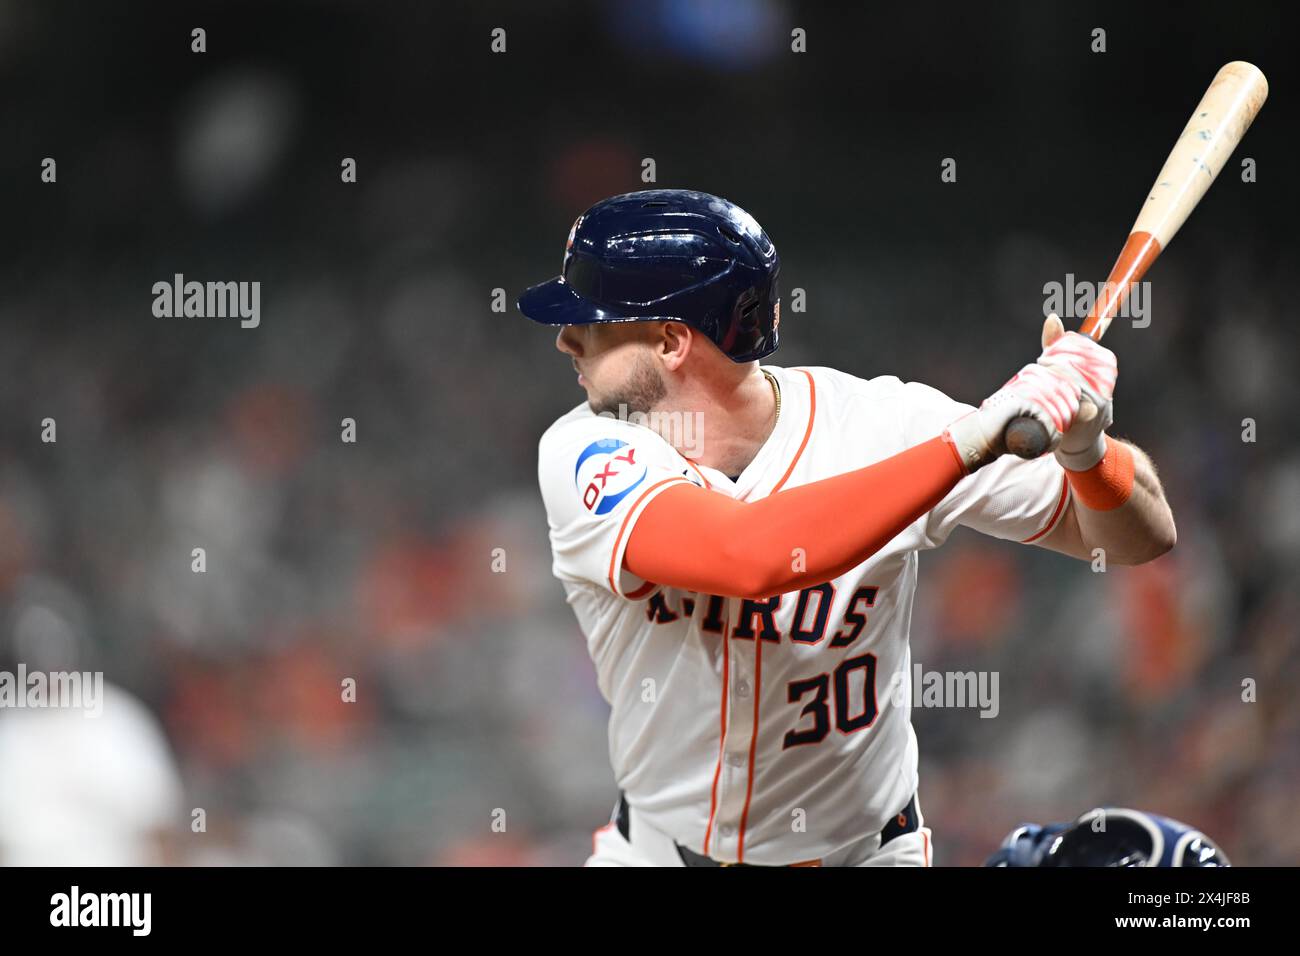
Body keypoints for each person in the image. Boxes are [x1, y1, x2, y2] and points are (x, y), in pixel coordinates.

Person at [519, 189, 1175, 866]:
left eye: (595, 322)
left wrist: (1089, 452)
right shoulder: (583, 450)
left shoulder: (882, 425)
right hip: (656, 853)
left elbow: (1138, 537)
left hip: (864, 854)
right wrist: (970, 440)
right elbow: (749, 554)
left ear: (671, 341)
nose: (568, 338)